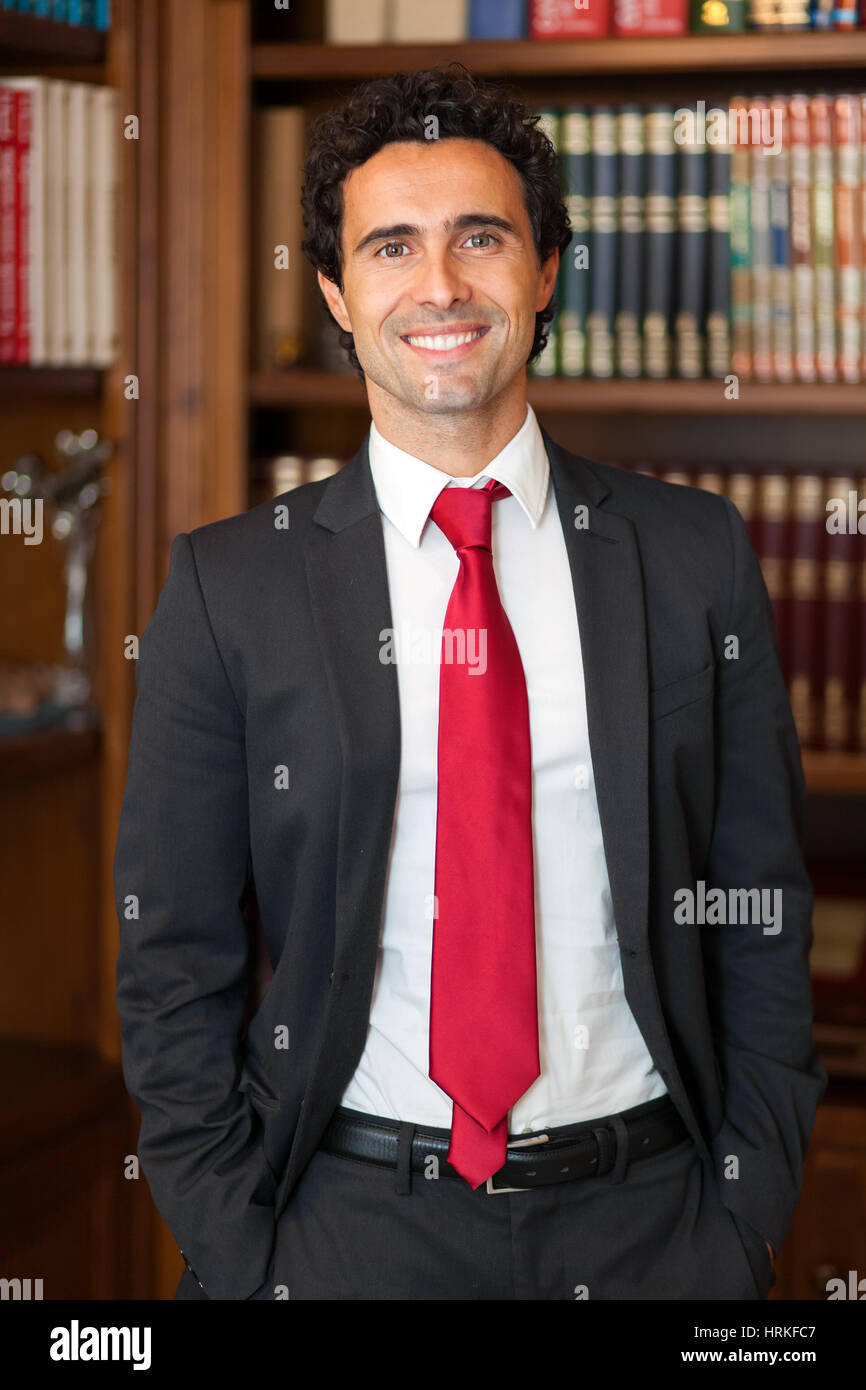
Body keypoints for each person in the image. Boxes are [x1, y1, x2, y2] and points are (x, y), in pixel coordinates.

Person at [114, 63, 826, 1301]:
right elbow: (172, 957)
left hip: (654, 1228)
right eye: (390, 247)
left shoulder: (692, 554)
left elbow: (758, 906)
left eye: (479, 238)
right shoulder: (232, 589)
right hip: (338, 1229)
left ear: (545, 269)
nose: (438, 286)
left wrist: (741, 1221)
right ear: (337, 291)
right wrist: (240, 1247)